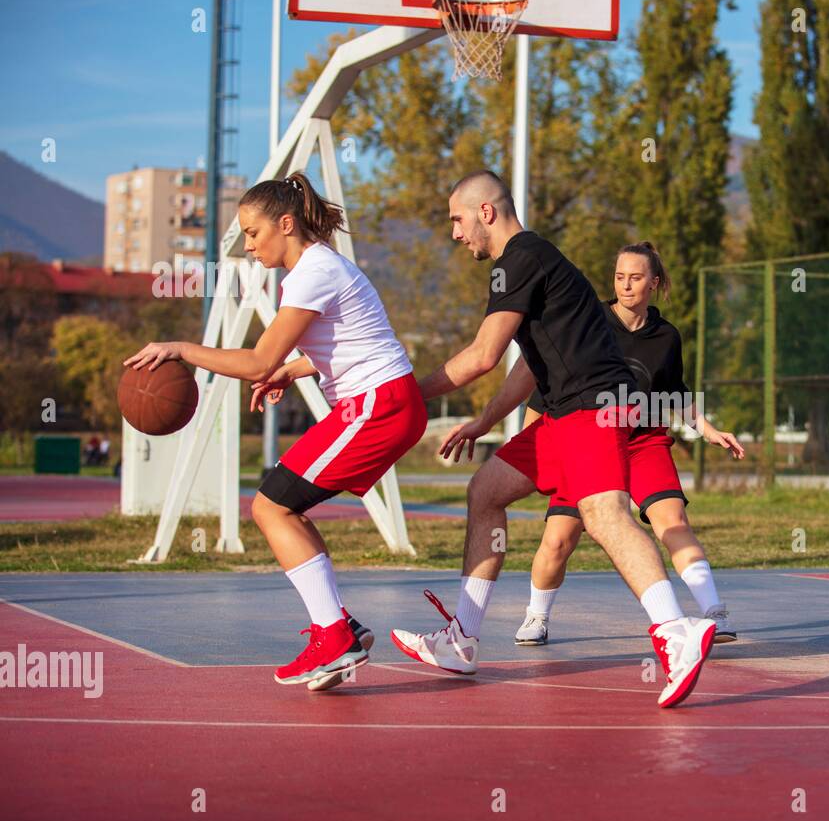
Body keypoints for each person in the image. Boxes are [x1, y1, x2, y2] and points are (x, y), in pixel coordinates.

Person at [390, 171, 717, 709]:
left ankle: (676, 631)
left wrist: (405, 396)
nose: (454, 233)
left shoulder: (519, 258)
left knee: (605, 515)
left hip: (593, 407)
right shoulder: (529, 264)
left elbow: (482, 355)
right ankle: (462, 639)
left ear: (486, 212)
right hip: (563, 415)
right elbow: (526, 369)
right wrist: (485, 421)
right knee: (486, 492)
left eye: (457, 219)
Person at [124, 171, 426, 691]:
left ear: (286, 224)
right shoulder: (320, 269)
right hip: (383, 402)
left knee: (269, 505)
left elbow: (259, 358)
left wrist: (182, 349)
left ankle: (334, 635)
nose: (247, 245)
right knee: (284, 505)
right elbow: (349, 343)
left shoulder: (313, 271)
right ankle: (339, 627)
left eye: (253, 232)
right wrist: (293, 369)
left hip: (379, 406)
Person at [442, 241, 744, 647]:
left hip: (641, 441)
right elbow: (539, 387)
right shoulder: (591, 320)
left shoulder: (666, 337)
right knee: (558, 541)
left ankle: (711, 614)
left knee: (670, 522)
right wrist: (527, 458)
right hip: (585, 434)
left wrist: (708, 428)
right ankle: (536, 616)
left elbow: (675, 393)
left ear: (653, 283)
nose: (626, 285)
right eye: (619, 277)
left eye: (636, 278)